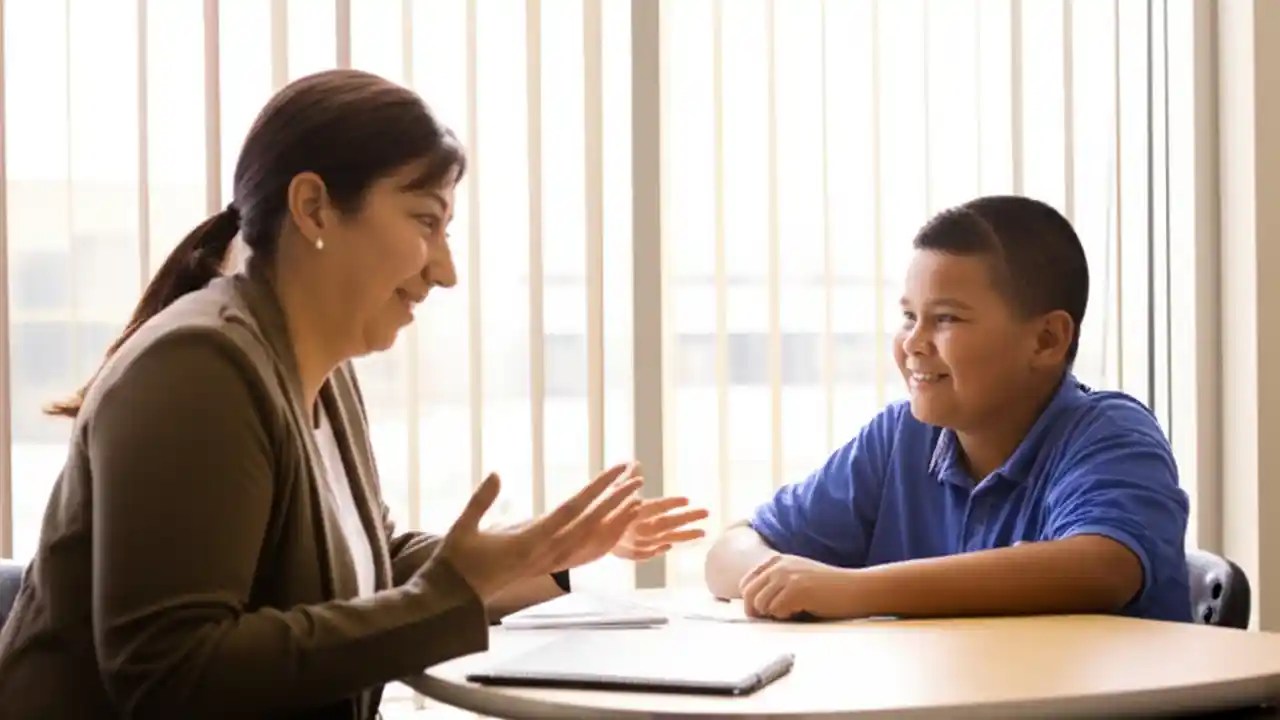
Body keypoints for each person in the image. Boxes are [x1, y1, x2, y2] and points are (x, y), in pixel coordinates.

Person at [0, 69, 707, 719]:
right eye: (425, 222)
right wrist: (444, 598)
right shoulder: (197, 368)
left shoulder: (319, 369)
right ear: (313, 208)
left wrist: (538, 553)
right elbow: (174, 674)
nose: (446, 271)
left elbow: (362, 570)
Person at [704, 195, 1191, 624]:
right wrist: (779, 582)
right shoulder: (899, 437)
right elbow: (729, 552)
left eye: (946, 319)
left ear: (1046, 340)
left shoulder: (1108, 433)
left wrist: (851, 589)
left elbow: (1101, 567)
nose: (913, 343)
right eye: (910, 317)